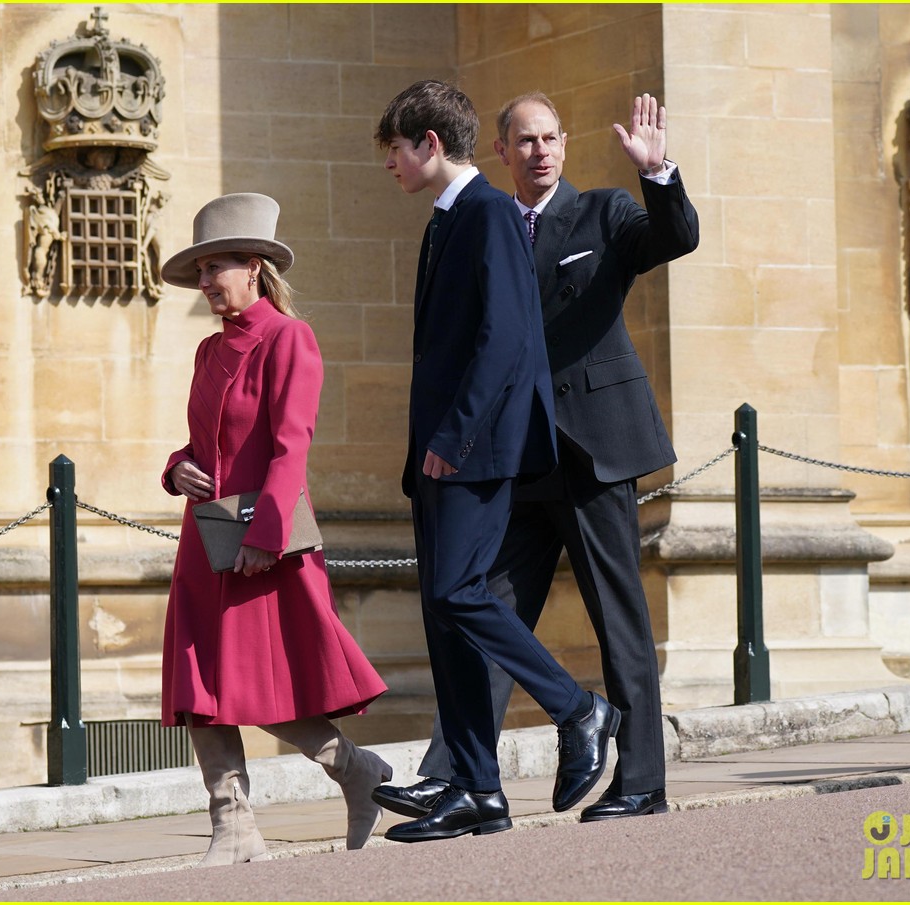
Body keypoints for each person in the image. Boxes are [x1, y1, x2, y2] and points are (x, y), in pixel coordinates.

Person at [373, 92, 700, 823]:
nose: (540, 151)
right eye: (525, 141)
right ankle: (460, 777)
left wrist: (659, 174)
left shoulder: (603, 213)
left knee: (618, 621)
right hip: (517, 454)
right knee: (482, 607)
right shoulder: (486, 218)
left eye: (551, 138)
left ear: (565, 144)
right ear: (501, 151)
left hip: (591, 448)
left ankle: (641, 781)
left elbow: (674, 238)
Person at [158, 193, 392, 865]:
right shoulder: (208, 351)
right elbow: (203, 444)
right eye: (200, 270)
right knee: (200, 684)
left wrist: (265, 535)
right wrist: (176, 468)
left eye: (216, 267)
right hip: (207, 540)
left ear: (254, 267)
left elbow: (292, 446)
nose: (205, 281)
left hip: (264, 541)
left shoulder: (290, 338)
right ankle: (233, 825)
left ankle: (356, 771)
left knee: (261, 684)